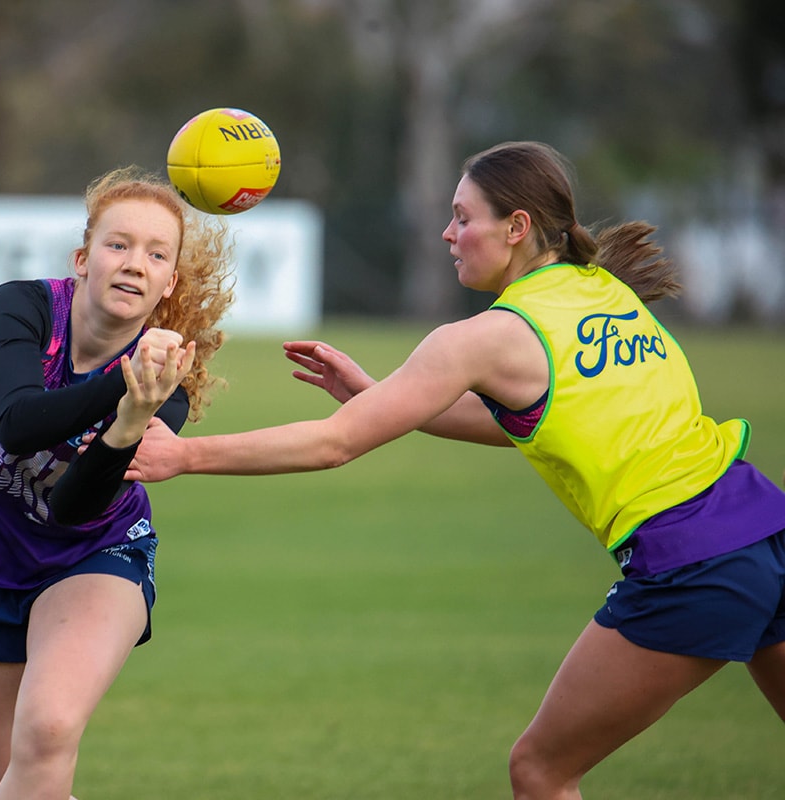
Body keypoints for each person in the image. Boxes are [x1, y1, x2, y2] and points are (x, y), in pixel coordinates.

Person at [127, 141, 785, 799]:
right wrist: (383, 397)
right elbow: (536, 419)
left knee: (540, 770)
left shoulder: (485, 338)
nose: (448, 233)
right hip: (765, 530)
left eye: (463, 217)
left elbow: (334, 444)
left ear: (517, 226)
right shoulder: (603, 290)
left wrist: (185, 455)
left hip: (691, 564)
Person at [0, 165, 235, 800]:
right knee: (9, 789)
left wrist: (132, 420)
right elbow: (17, 424)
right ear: (83, 259)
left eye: (156, 254)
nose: (134, 264)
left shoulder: (168, 385)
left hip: (94, 553)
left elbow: (73, 508)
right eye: (117, 244)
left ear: (169, 283)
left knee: (47, 729)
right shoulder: (24, 307)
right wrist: (122, 389)